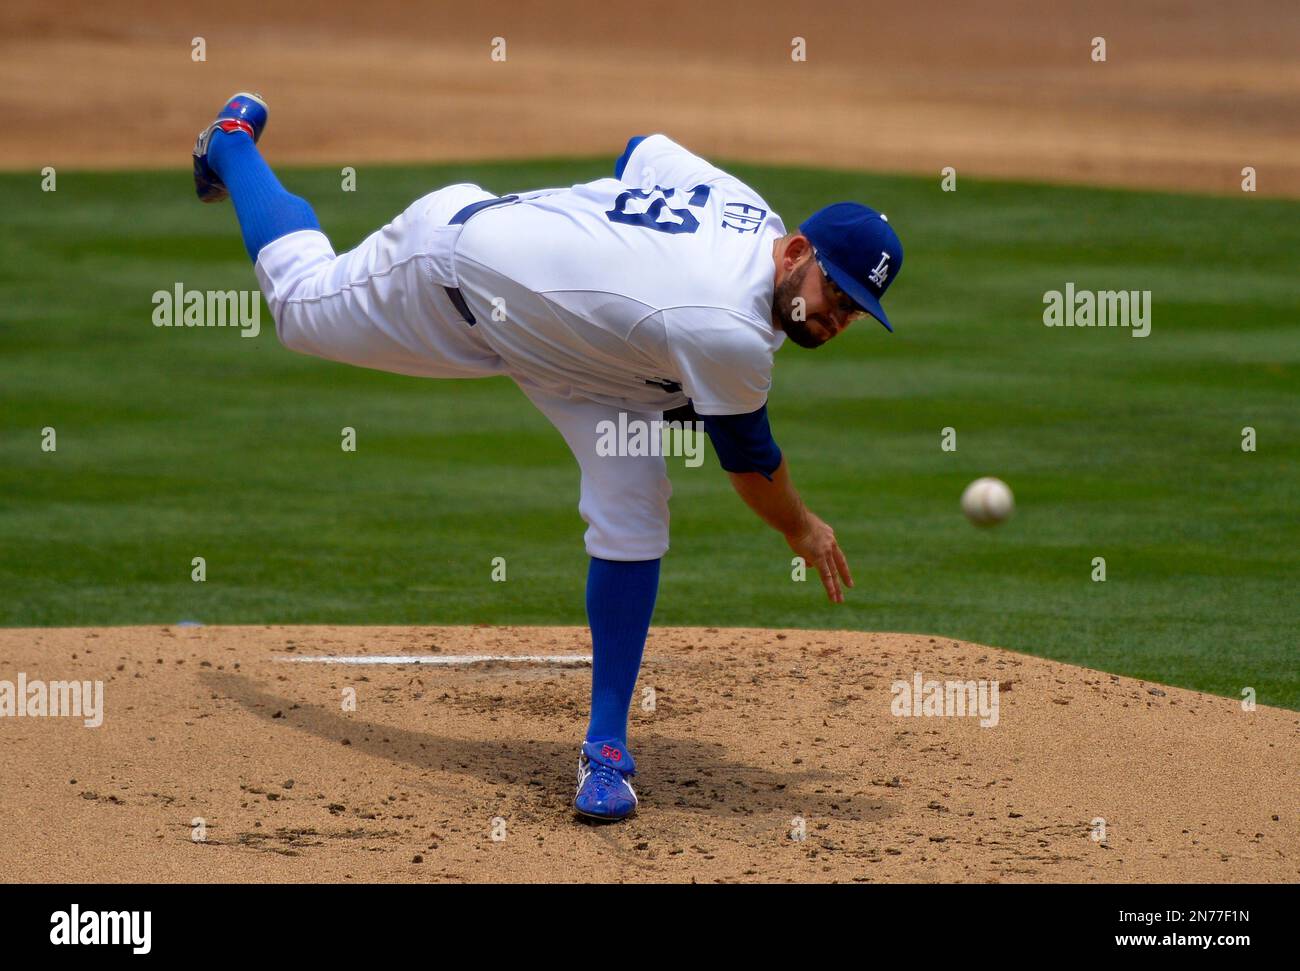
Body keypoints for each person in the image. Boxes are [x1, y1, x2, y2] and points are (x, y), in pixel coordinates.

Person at [193, 92, 904, 822]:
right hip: (452, 280)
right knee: (299, 307)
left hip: (591, 364)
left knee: (634, 511)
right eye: (833, 292)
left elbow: (639, 150)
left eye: (851, 311)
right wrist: (802, 529)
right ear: (794, 252)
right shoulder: (726, 327)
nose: (833, 316)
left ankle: (606, 754)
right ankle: (232, 143)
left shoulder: (741, 208)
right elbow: (754, 469)